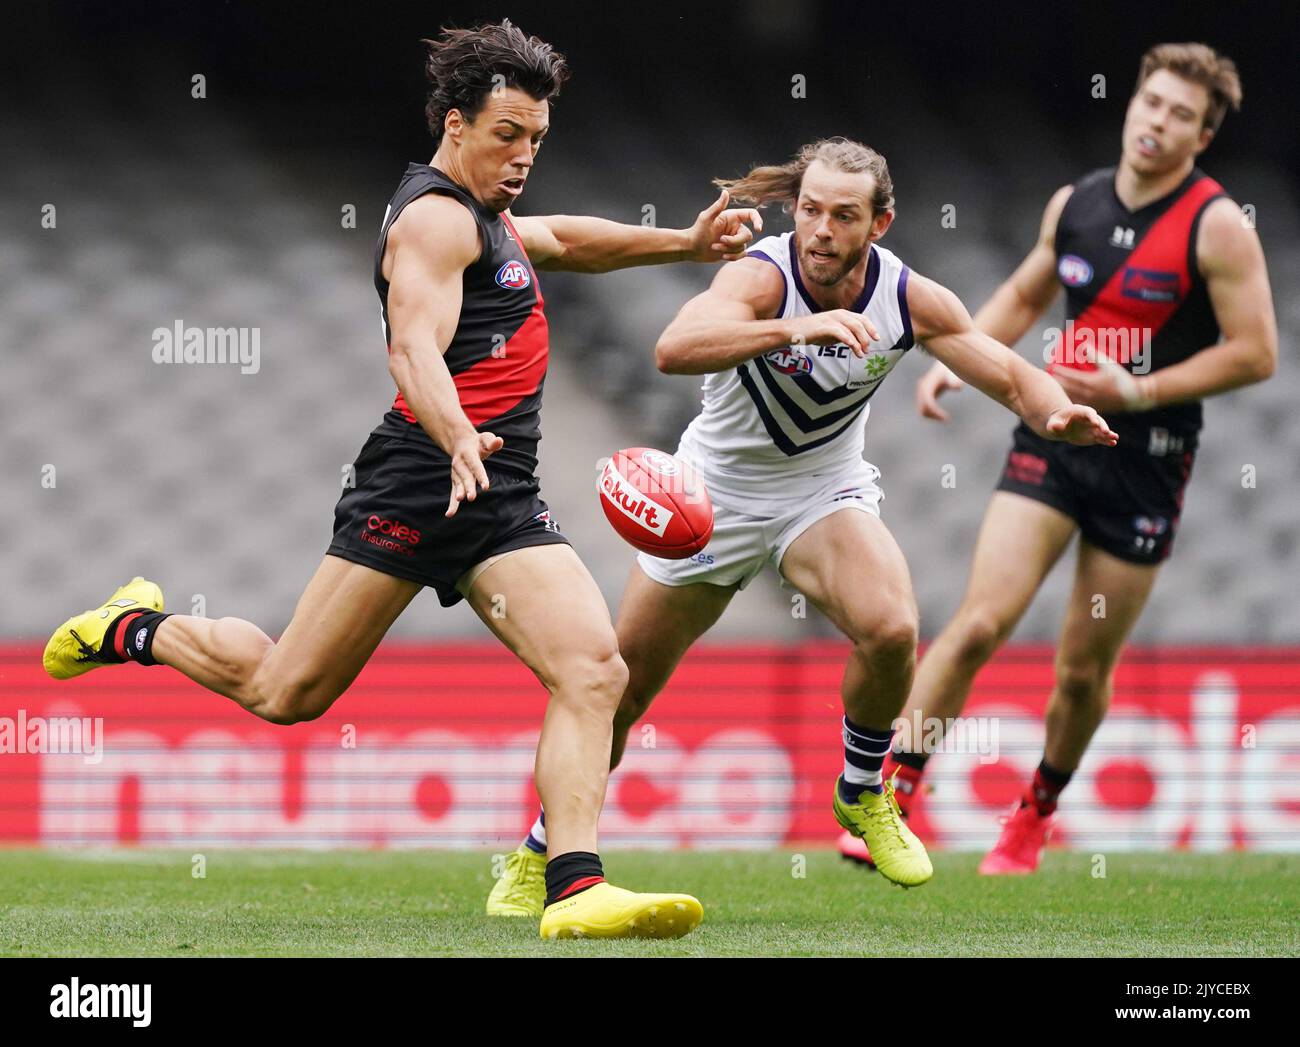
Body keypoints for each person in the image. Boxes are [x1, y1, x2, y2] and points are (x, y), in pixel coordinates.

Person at [42, 19, 763, 940]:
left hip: (500, 492)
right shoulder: (431, 218)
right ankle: (133, 626)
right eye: (507, 133)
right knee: (286, 692)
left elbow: (565, 240)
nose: (523, 154)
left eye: (537, 137)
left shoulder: (488, 215)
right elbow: (412, 345)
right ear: (454, 122)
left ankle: (571, 884)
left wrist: (683, 247)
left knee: (594, 669)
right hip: (422, 477)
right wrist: (459, 433)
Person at [487, 136, 1116, 915]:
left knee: (891, 627)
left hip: (822, 491)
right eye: (810, 209)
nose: (820, 228)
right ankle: (540, 851)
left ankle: (861, 792)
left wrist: (1055, 410)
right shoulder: (760, 275)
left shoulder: (906, 297)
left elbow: (1005, 368)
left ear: (878, 224)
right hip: (712, 499)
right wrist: (794, 330)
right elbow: (673, 346)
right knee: (619, 694)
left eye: (842, 215)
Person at [842, 42, 1276, 875]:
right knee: (977, 623)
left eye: (1182, 115)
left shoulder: (1217, 224)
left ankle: (1033, 813)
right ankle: (892, 797)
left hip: (1147, 461)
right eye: (1151, 101)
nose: (1158, 120)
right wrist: (951, 361)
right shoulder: (1073, 202)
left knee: (1081, 669)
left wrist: (1136, 389)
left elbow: (1256, 353)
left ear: (1202, 138)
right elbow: (1024, 293)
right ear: (1132, 103)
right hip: (1055, 437)